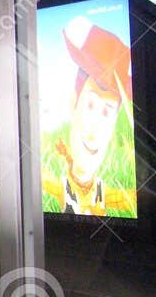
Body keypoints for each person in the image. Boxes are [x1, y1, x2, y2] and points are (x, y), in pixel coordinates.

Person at [42, 15, 135, 216]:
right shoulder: (59, 184)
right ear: (73, 103)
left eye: (106, 112)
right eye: (91, 106)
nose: (95, 128)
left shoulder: (103, 190)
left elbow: (128, 199)